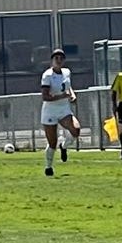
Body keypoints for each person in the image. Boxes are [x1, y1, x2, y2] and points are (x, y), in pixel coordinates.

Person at [39, 48, 81, 176]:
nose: (59, 60)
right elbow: (45, 96)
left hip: (63, 109)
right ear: (52, 60)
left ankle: (64, 146)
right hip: (50, 111)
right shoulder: (47, 76)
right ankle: (48, 166)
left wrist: (72, 95)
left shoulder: (66, 72)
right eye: (56, 58)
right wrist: (62, 96)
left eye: (61, 58)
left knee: (76, 130)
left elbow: (68, 87)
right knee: (52, 142)